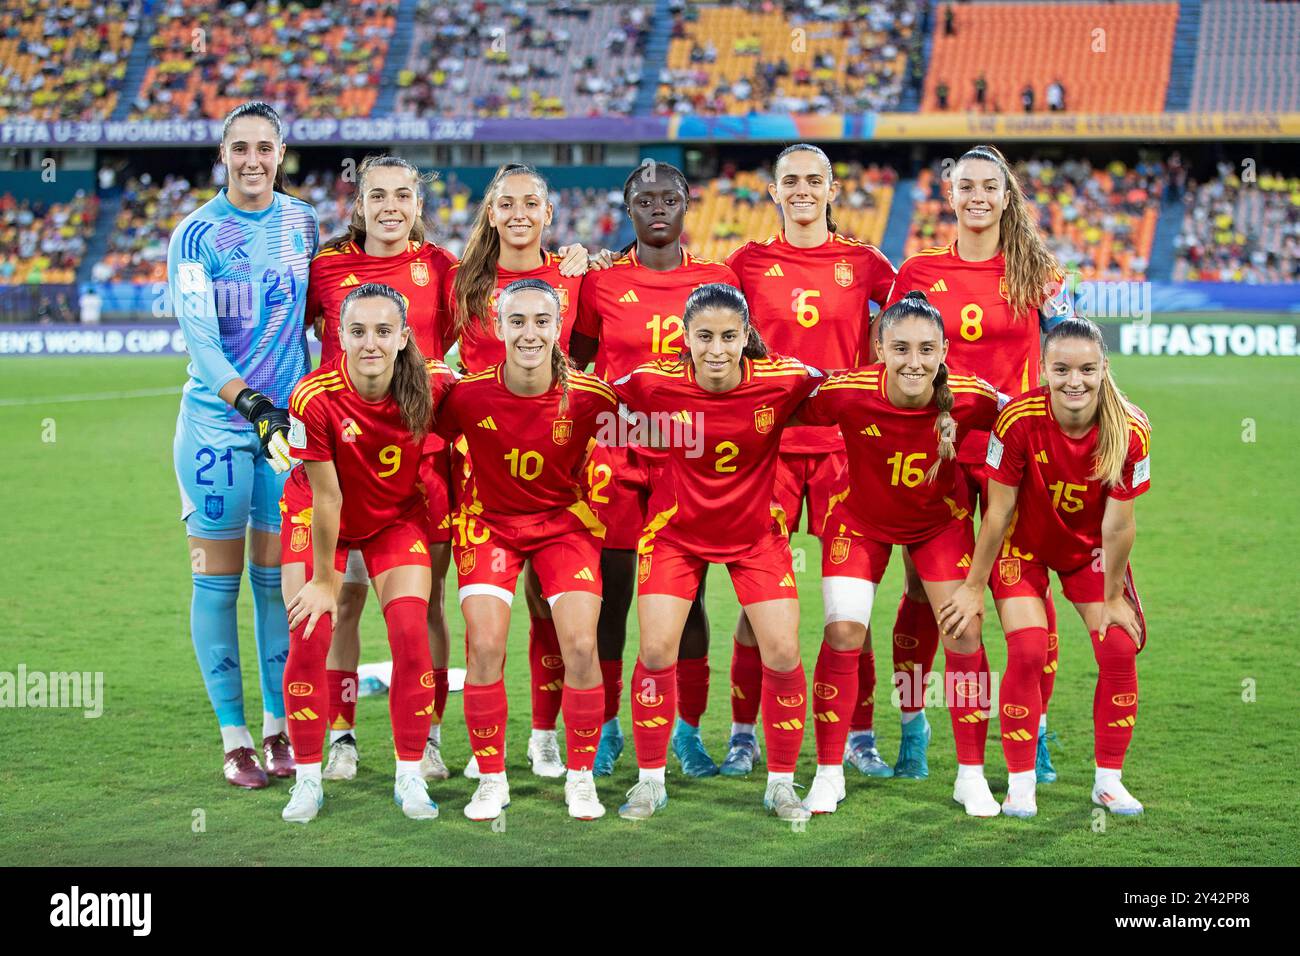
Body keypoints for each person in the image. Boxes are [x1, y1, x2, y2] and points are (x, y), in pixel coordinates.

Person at [879, 144, 1071, 783]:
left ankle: (1035, 730)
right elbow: (893, 364)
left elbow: (1071, 359)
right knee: (924, 597)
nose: (978, 197)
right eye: (967, 186)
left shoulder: (1037, 274)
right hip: (941, 456)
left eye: (991, 186)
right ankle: (914, 727)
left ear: (1007, 195)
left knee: (1027, 593)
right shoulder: (917, 273)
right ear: (950, 195)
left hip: (1016, 458)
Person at [612, 283, 823, 822]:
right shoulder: (652, 382)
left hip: (755, 535)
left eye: (729, 337)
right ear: (685, 338)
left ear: (746, 336)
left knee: (782, 651)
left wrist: (938, 410)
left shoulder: (783, 380)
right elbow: (593, 399)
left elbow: (849, 391)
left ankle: (780, 783)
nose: (716, 349)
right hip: (674, 534)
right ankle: (650, 781)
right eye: (703, 336)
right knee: (657, 651)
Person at [791, 291, 1002, 815]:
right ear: (879, 347)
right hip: (858, 522)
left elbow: (1026, 420)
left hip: (939, 524)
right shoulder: (846, 391)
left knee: (966, 631)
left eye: (927, 350)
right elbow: (778, 404)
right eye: (901, 348)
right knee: (843, 633)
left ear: (944, 350)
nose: (914, 362)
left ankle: (971, 777)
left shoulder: (973, 397)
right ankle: (828, 771)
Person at [723, 143, 895, 778]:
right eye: (789, 180)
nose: (801, 189)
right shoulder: (745, 263)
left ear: (831, 190)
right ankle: (743, 733)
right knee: (756, 601)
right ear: (774, 192)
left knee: (850, 602)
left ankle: (861, 734)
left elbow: (920, 315)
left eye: (813, 180)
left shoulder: (864, 262)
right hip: (765, 452)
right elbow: (697, 317)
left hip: (845, 453)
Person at [938, 318, 1151, 818]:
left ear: (1104, 369)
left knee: (1118, 647)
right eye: (1061, 369)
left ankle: (1108, 782)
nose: (1074, 381)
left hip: (1089, 551)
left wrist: (1116, 596)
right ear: (1043, 369)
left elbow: (1120, 526)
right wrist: (972, 587)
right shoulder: (1016, 419)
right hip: (1023, 547)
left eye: (1086, 369)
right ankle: (1020, 783)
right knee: (1029, 649)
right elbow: (998, 510)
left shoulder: (1131, 429)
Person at [567, 160, 739, 779]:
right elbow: (578, 366)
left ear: (688, 203)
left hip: (685, 460)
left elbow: (748, 364)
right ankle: (610, 727)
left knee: (687, 602)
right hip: (616, 456)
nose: (658, 207)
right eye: (645, 199)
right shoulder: (603, 283)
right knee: (611, 599)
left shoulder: (718, 279)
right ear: (628, 208)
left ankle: (687, 733)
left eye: (670, 197)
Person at [168, 101, 318, 789]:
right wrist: (251, 403)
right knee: (217, 582)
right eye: (241, 147)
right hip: (219, 428)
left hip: (284, 431)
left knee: (274, 584)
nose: (253, 159)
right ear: (222, 153)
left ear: (280, 152)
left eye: (265, 147)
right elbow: (200, 336)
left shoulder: (303, 223)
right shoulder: (195, 234)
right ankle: (234, 740)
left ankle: (279, 727)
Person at [434, 279, 615, 821]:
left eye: (542, 321)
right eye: (518, 321)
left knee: (581, 645)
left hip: (565, 526)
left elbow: (650, 436)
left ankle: (581, 778)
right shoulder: (467, 396)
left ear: (559, 325)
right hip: (490, 525)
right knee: (485, 647)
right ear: (498, 326)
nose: (530, 332)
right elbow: (425, 439)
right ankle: (491, 779)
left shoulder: (591, 395)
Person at [303, 155, 459, 783]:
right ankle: (341, 735)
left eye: (403, 194)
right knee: (343, 602)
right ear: (358, 204)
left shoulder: (442, 267)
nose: (390, 205)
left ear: (417, 205)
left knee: (425, 603)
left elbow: (480, 328)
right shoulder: (326, 269)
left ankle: (429, 738)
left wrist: (583, 258)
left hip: (422, 458)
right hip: (343, 452)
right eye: (377, 194)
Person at [278, 283, 458, 823]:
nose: (370, 343)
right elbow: (328, 496)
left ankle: (409, 776)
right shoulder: (314, 397)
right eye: (358, 332)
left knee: (410, 633)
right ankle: (308, 780)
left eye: (384, 331)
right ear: (339, 335)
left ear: (405, 336)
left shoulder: (430, 388)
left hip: (394, 517)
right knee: (310, 631)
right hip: (318, 512)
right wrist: (325, 582)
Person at [441, 162, 594, 780]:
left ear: (549, 213)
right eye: (507, 203)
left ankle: (544, 735)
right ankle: (459, 744)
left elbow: (588, 358)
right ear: (492, 212)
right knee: (485, 612)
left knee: (549, 608)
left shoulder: (573, 274)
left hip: (556, 467)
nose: (520, 213)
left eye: (532, 202)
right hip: (479, 469)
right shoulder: (463, 282)